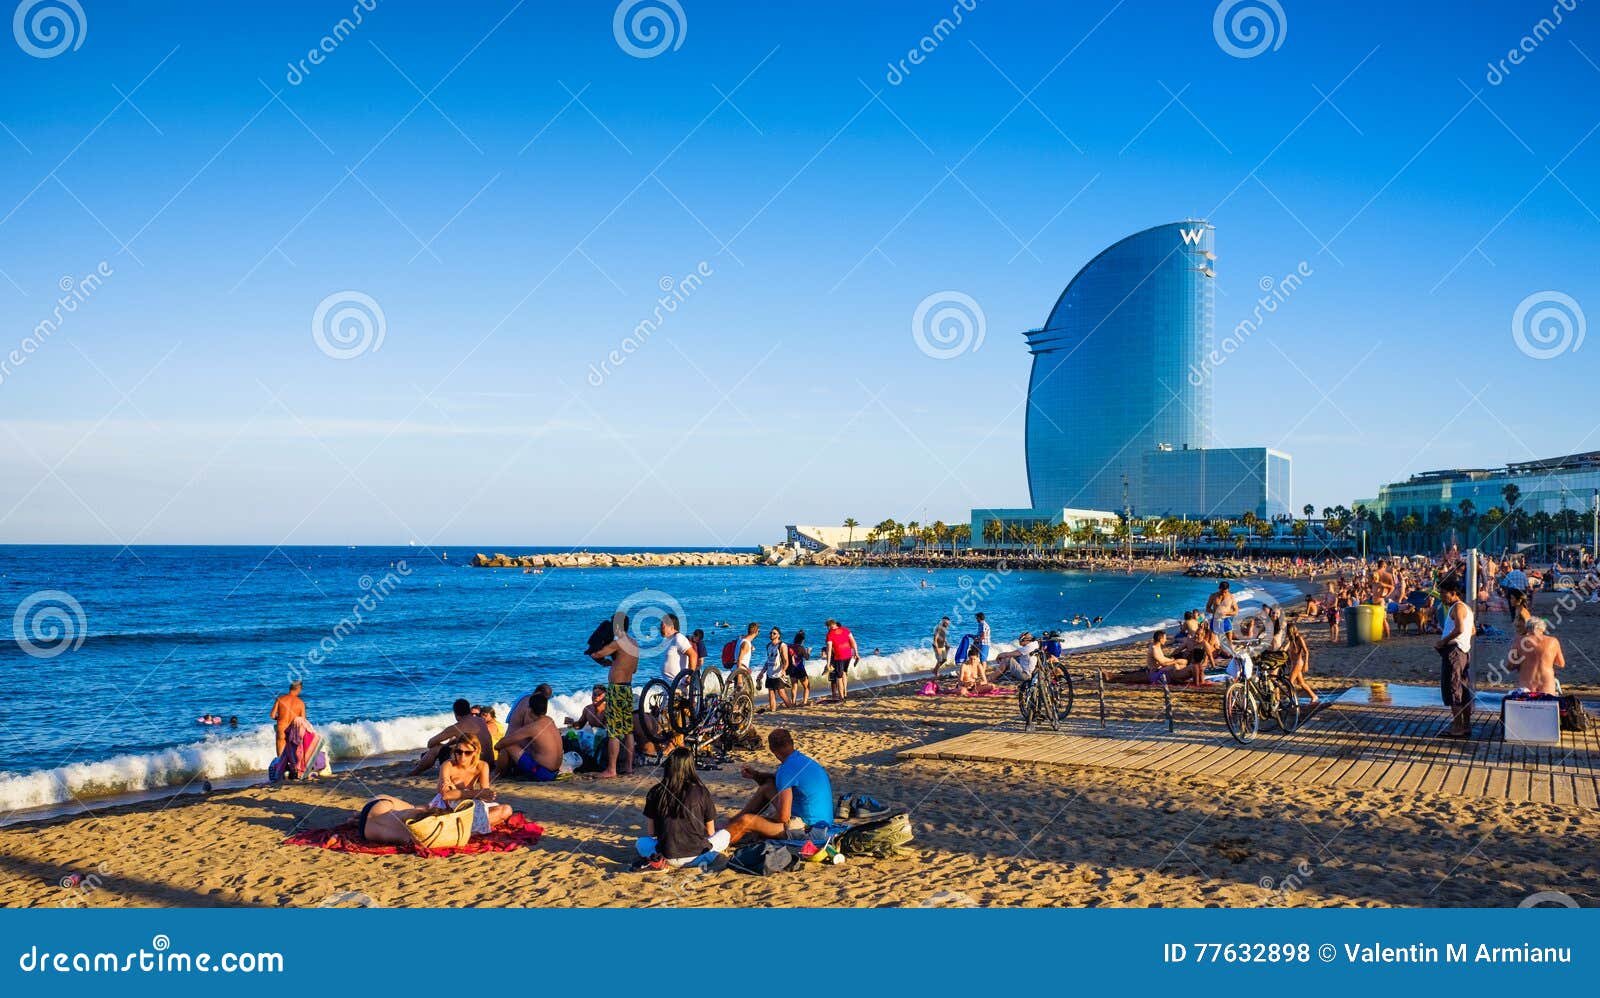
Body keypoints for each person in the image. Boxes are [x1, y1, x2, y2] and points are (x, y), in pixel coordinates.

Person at [723, 729, 834, 845]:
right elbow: (773, 780)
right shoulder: (801, 760)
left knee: (746, 821)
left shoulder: (786, 770)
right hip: (823, 824)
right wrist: (756, 775)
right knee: (767, 788)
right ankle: (731, 823)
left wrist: (763, 823)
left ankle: (714, 846)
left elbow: (783, 817)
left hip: (809, 830)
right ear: (792, 743)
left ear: (771, 749)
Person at [635, 747, 731, 869]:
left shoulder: (656, 791)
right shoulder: (701, 791)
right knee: (725, 834)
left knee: (641, 843)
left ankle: (661, 863)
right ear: (690, 767)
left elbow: (651, 832)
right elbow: (710, 832)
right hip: (699, 857)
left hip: (666, 856)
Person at [588, 616, 639, 778]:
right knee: (628, 730)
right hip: (627, 689)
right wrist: (616, 662)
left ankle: (611, 769)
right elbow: (634, 669)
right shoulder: (635, 644)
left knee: (614, 731)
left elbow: (597, 654)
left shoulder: (618, 643)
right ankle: (629, 768)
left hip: (616, 690)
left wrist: (600, 656)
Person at [429, 739, 513, 834]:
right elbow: (446, 796)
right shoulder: (448, 765)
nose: (462, 756)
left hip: (469, 803)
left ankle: (463, 827)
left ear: (475, 752)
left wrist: (484, 795)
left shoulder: (482, 766)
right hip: (448, 806)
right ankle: (470, 827)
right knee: (426, 813)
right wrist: (477, 793)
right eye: (459, 752)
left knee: (506, 810)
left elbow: (486, 796)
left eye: (467, 753)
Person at [411, 699, 496, 775]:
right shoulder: (481, 720)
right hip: (489, 764)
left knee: (435, 749)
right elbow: (473, 739)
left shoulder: (456, 727)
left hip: (473, 766)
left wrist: (443, 746)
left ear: (455, 713)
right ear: (469, 710)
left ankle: (414, 772)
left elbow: (430, 743)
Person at [1434, 578, 1475, 738]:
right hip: (1463, 652)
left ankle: (1457, 727)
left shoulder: (1457, 607)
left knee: (1453, 689)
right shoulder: (1467, 609)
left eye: (1443, 593)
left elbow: (1460, 628)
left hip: (1454, 652)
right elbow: (1472, 631)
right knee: (1463, 689)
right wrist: (1463, 641)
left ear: (1453, 593)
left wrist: (1443, 641)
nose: (1441, 596)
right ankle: (1465, 725)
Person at [496, 692, 564, 781]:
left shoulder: (533, 727)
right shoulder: (549, 720)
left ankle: (497, 774)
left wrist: (497, 749)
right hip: (554, 772)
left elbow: (502, 743)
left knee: (507, 745)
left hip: (542, 773)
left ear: (530, 709)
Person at [1103, 631, 1201, 685]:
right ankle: (1112, 678)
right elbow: (1162, 663)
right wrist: (1175, 661)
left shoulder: (1157, 647)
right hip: (1154, 671)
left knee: (1181, 663)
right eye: (1165, 638)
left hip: (1160, 669)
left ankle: (1112, 677)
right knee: (1131, 678)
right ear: (1160, 639)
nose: (1166, 639)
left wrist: (1174, 660)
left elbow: (1164, 660)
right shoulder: (1154, 648)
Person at [1511, 617, 1565, 696]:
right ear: (1542, 629)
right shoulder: (1553, 641)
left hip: (1526, 689)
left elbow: (1510, 665)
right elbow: (1561, 663)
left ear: (1527, 629)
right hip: (1547, 687)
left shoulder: (1519, 641)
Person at [355, 795, 435, 846]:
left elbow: (424, 807)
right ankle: (356, 820)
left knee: (412, 807)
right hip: (366, 832)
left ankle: (359, 815)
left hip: (377, 807)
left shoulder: (419, 813)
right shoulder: (413, 839)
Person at [824, 618, 859, 702]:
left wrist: (828, 663)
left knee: (838, 677)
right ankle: (845, 693)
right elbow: (853, 641)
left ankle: (841, 697)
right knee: (844, 673)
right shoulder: (846, 629)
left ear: (830, 625)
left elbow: (829, 649)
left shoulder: (830, 634)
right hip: (848, 655)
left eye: (827, 627)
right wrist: (856, 653)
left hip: (839, 656)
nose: (827, 629)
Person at [270, 680, 306, 759]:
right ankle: (294, 767)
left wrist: (280, 718)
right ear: (298, 689)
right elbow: (303, 721)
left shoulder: (280, 699)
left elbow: (272, 716)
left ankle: (281, 768)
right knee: (294, 753)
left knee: (280, 757)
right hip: (293, 731)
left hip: (281, 728)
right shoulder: (301, 703)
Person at [760, 626, 792, 711]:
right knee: (771, 692)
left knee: (781, 692)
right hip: (770, 672)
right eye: (771, 633)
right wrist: (762, 672)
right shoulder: (768, 646)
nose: (771, 634)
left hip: (778, 672)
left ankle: (790, 708)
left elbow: (786, 661)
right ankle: (772, 710)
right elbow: (768, 661)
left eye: (774, 633)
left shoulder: (782, 645)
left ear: (778, 635)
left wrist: (783, 671)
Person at [1284, 622, 1317, 704]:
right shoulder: (1291, 640)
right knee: (1301, 683)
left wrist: (1306, 664)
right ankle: (1314, 696)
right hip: (1293, 663)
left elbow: (1306, 652)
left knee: (1290, 682)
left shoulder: (1299, 639)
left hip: (1298, 663)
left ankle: (1292, 698)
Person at [660, 612, 698, 682]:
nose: (660, 628)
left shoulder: (679, 638)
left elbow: (693, 655)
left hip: (679, 683)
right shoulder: (667, 640)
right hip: (668, 684)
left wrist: (690, 675)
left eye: (663, 626)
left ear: (671, 627)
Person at [787, 629, 811, 706]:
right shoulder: (801, 648)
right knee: (807, 686)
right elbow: (807, 657)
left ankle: (793, 702)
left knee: (794, 686)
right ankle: (804, 702)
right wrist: (808, 651)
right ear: (802, 640)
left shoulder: (789, 646)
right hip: (800, 669)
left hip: (792, 669)